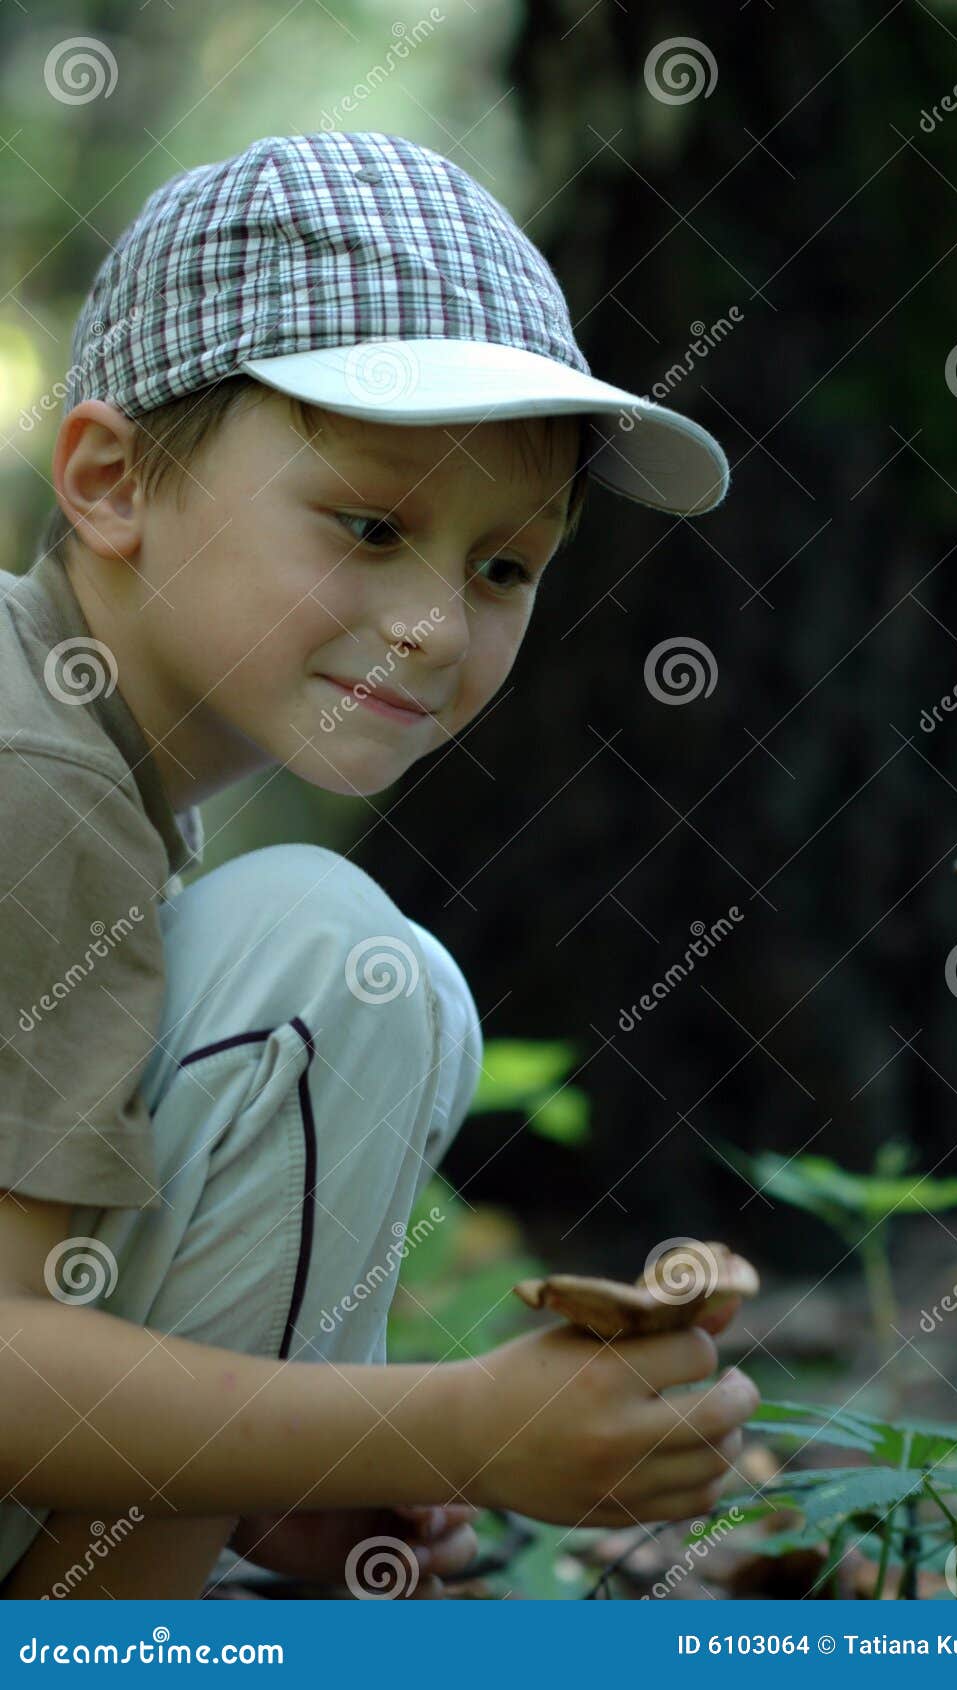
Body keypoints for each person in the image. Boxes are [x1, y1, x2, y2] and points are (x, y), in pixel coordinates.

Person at [0, 131, 755, 1601]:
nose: (434, 624)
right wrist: (451, 1427)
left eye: (503, 566)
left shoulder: (71, 749)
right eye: (369, 524)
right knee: (335, 961)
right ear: (110, 480)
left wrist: (268, 1490)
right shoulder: (40, 783)